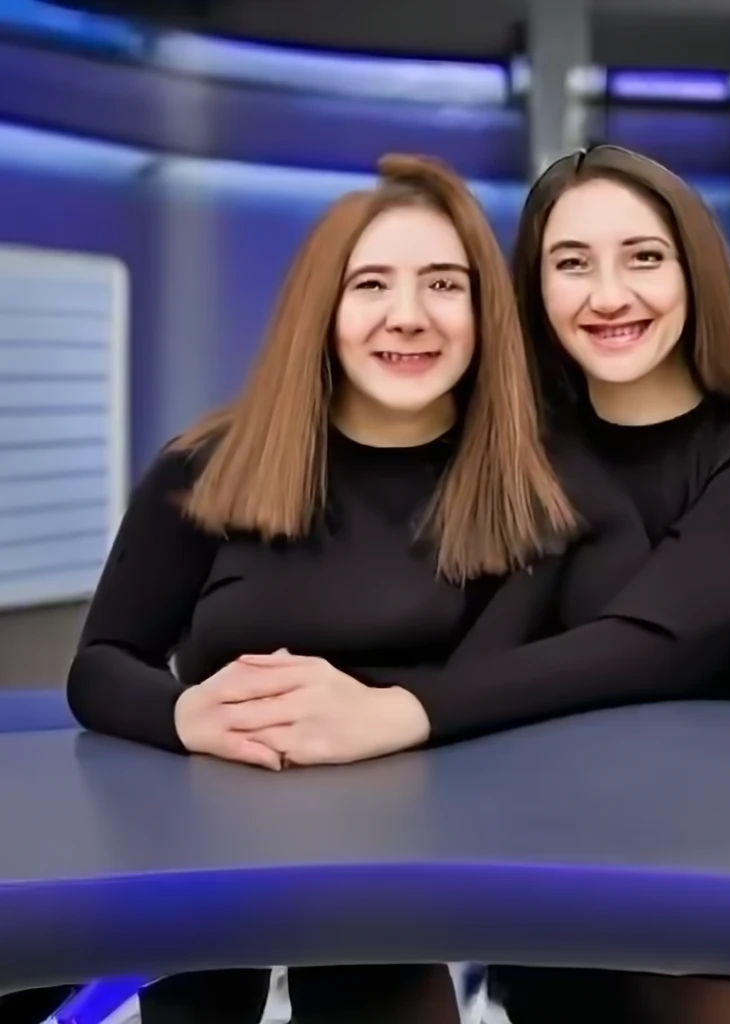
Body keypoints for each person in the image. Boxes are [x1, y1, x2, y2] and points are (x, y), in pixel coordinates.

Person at [222, 147, 730, 1024]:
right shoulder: (525, 458)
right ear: (534, 291)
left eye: (644, 258)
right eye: (572, 263)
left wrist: (398, 711)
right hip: (562, 826)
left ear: (693, 269)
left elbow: (665, 634)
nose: (610, 294)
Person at [61, 154, 654, 1024]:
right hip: (207, 855)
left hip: (401, 874)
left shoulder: (544, 483)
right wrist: (184, 715)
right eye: (370, 283)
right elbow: (100, 665)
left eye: (444, 284)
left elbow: (626, 660)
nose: (407, 316)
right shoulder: (206, 466)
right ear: (322, 309)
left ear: (485, 311)